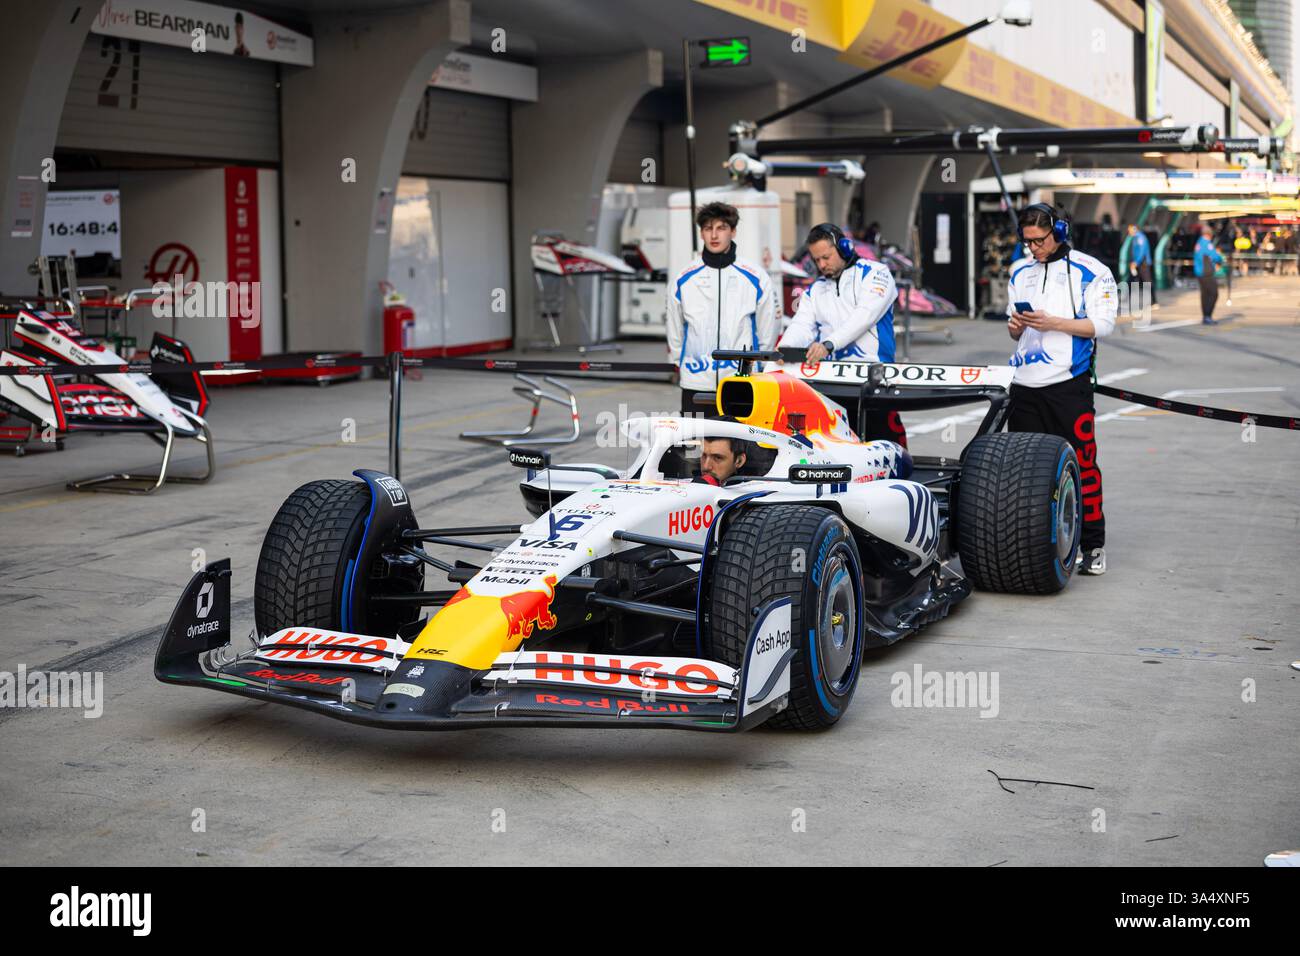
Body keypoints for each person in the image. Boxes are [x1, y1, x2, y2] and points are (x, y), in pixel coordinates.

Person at [1006, 203, 1117, 576]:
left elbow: (1103, 325)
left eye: (1039, 241)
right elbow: (1013, 330)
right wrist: (1018, 325)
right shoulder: (1019, 271)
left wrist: (1053, 322)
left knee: (1083, 464)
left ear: (1060, 232)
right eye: (1028, 242)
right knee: (1021, 472)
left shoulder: (1092, 271)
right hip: (1024, 385)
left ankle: (1093, 544)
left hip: (1069, 385)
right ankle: (1029, 544)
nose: (1033, 248)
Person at [780, 223, 906, 444]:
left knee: (889, 446)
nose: (822, 265)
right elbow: (801, 325)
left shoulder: (877, 273)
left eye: (826, 257)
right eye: (816, 260)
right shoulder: (816, 289)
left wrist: (828, 344)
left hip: (875, 380)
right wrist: (784, 350)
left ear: (844, 247)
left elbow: (864, 316)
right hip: (831, 383)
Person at [665, 202, 777, 417]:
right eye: (708, 228)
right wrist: (684, 366)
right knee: (698, 447)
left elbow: (767, 328)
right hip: (696, 383)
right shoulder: (684, 278)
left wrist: (758, 368)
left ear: (733, 231)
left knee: (738, 447)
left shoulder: (755, 276)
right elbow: (674, 330)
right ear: (701, 233)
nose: (714, 235)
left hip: (740, 381)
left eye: (721, 228)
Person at [1194, 225, 1225, 325]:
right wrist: (1220, 260)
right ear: (1209, 234)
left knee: (1205, 294)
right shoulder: (1206, 243)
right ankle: (1208, 315)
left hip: (1199, 271)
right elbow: (1215, 256)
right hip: (1206, 271)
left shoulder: (1198, 242)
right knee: (1213, 293)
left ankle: (1205, 316)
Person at [1126, 223, 1157, 309]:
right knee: (1131, 281)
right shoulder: (1135, 238)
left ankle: (1154, 302)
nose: (1128, 231)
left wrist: (1136, 262)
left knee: (1147, 282)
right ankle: (1127, 301)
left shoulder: (1140, 237)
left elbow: (1142, 252)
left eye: (1130, 229)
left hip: (1143, 264)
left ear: (1134, 229)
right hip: (1137, 263)